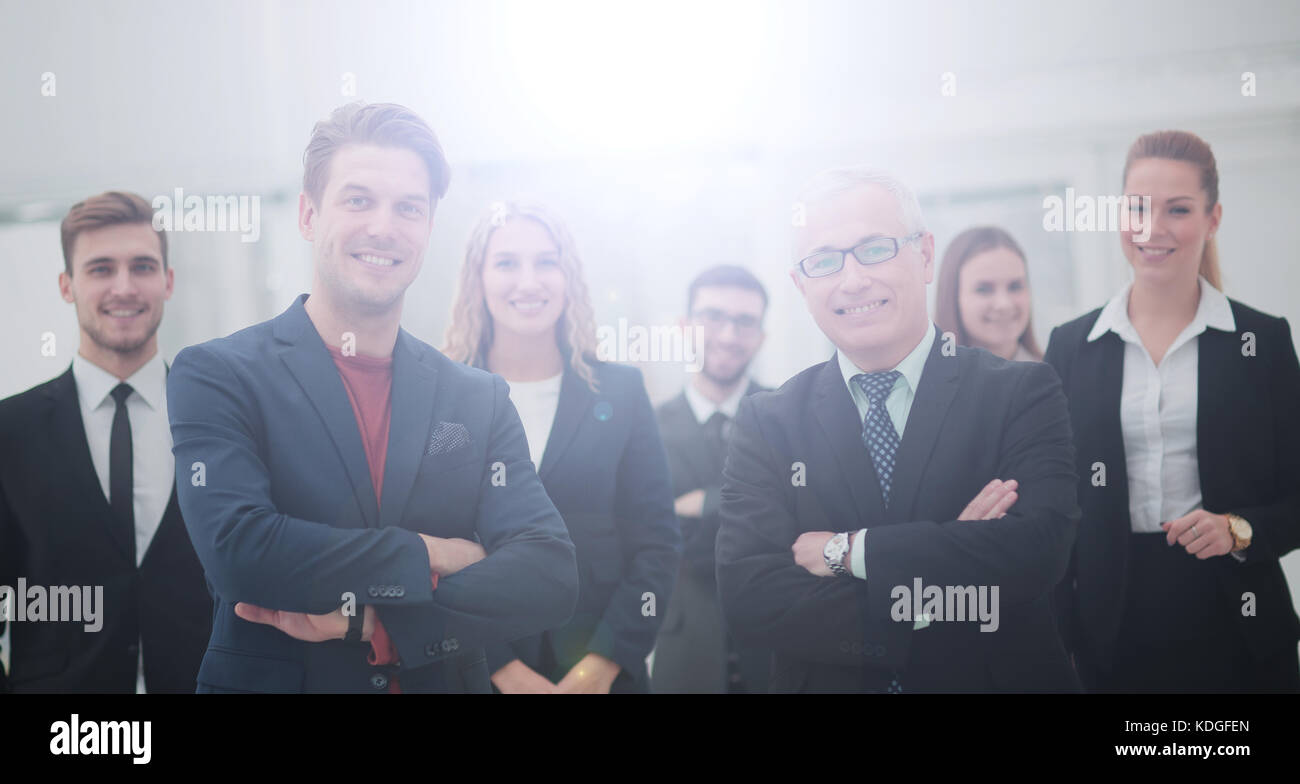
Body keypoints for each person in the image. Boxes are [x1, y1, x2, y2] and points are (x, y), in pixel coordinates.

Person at [166, 103, 578, 693]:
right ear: (309, 214)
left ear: (428, 229)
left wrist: (375, 624)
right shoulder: (219, 375)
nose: (384, 226)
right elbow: (241, 552)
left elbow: (549, 574)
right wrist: (431, 552)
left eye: (408, 208)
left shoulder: (477, 397)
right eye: (358, 200)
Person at [716, 166, 1081, 693]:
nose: (852, 279)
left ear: (926, 255)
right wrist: (952, 573)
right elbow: (753, 599)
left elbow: (1036, 551)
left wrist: (849, 552)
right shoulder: (768, 421)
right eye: (824, 261)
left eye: (874, 249)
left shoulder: (1020, 392)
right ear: (800, 284)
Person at [1045, 130, 1300, 692]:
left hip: (1237, 620)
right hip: (1109, 630)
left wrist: (1239, 529)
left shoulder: (1261, 342)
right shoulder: (1070, 346)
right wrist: (1057, 633)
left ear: (1213, 219)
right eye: (1137, 208)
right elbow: (1054, 502)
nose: (1152, 229)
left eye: (1178, 210)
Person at [443, 200, 680, 694]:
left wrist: (602, 665)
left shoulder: (621, 391)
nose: (528, 281)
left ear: (567, 275)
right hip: (474, 671)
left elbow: (656, 542)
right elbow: (425, 544)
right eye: (507, 263)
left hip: (605, 670)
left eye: (545, 261)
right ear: (477, 279)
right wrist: (501, 670)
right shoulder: (440, 399)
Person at [0, 191, 212, 693]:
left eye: (142, 266)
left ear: (168, 281)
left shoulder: (221, 423)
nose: (124, 287)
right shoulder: (10, 431)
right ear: (66, 285)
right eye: (100, 269)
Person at [651, 264, 771, 693]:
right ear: (685, 327)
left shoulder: (790, 418)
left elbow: (800, 509)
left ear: (761, 336)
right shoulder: (646, 428)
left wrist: (702, 503)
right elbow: (646, 529)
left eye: (744, 322)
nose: (727, 334)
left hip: (779, 648)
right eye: (713, 317)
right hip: (683, 648)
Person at [934, 226, 1043, 361]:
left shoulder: (1057, 378)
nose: (1004, 304)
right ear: (953, 298)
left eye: (1015, 287)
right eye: (984, 289)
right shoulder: (919, 379)